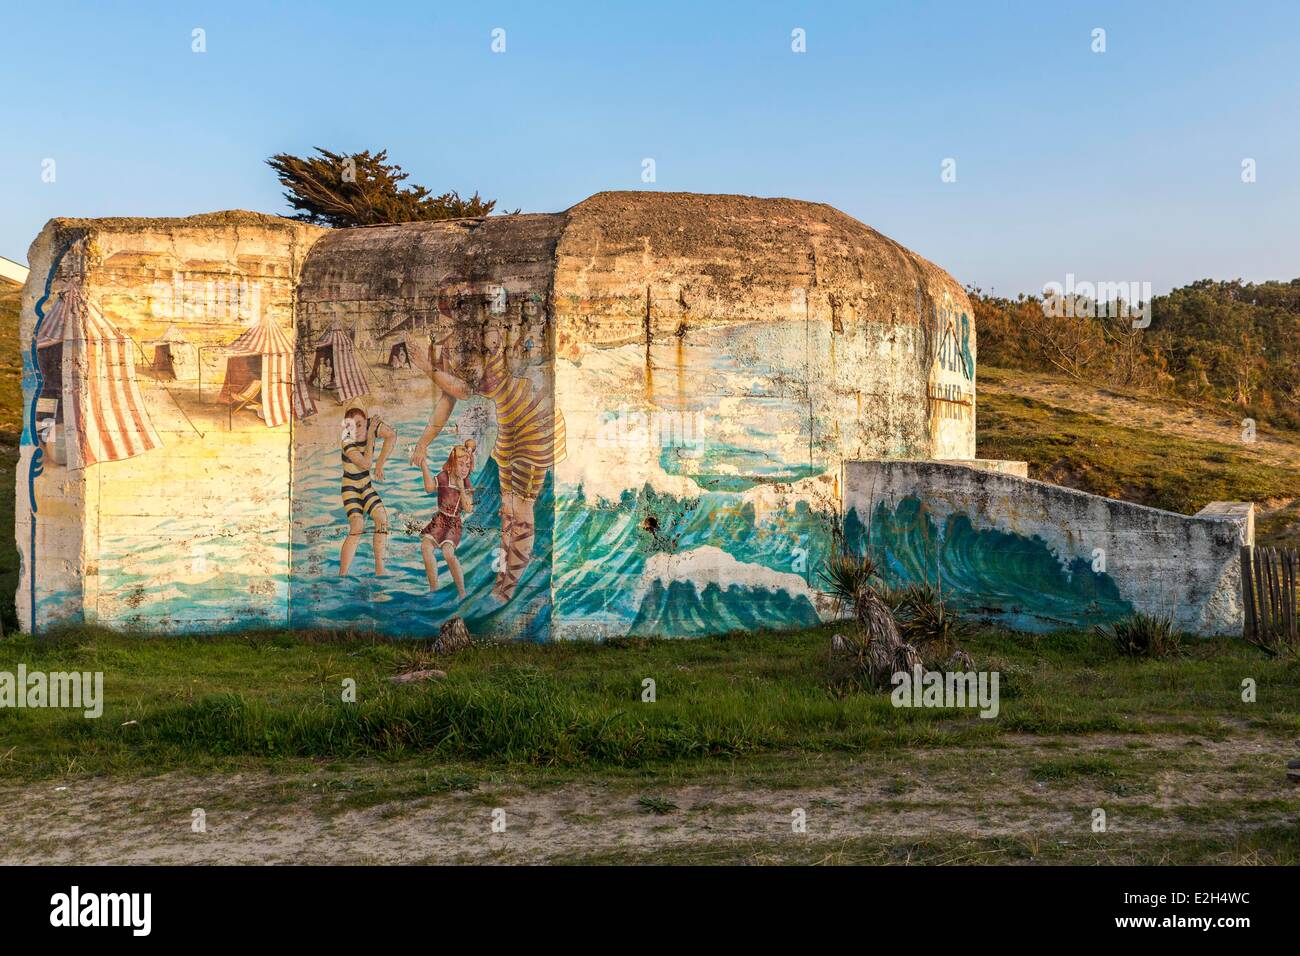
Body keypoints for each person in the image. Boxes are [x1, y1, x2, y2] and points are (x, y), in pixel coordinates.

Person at [411, 324, 565, 603]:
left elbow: (463, 390)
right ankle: (502, 581)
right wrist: (422, 443)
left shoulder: (481, 339)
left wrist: (425, 366)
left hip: (532, 424)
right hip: (509, 430)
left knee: (521, 508)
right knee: (507, 510)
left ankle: (509, 586)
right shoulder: (457, 346)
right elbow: (449, 398)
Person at [339, 407, 395, 576]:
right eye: (351, 426)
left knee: (382, 519)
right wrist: (370, 435)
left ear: (366, 421)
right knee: (358, 525)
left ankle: (380, 569)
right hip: (351, 488)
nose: (356, 430)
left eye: (360, 425)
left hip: (366, 485)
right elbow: (365, 464)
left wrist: (381, 464)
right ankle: (342, 574)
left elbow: (392, 435)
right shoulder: (347, 440)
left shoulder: (370, 425)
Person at [418, 439, 476, 599]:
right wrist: (424, 465)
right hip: (439, 519)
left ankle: (462, 591)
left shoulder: (467, 482)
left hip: (453, 523)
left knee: (448, 553)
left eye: (467, 465)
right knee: (425, 546)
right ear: (452, 463)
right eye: (461, 464)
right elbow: (429, 487)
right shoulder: (443, 477)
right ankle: (433, 588)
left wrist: (462, 487)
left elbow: (469, 508)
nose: (464, 469)